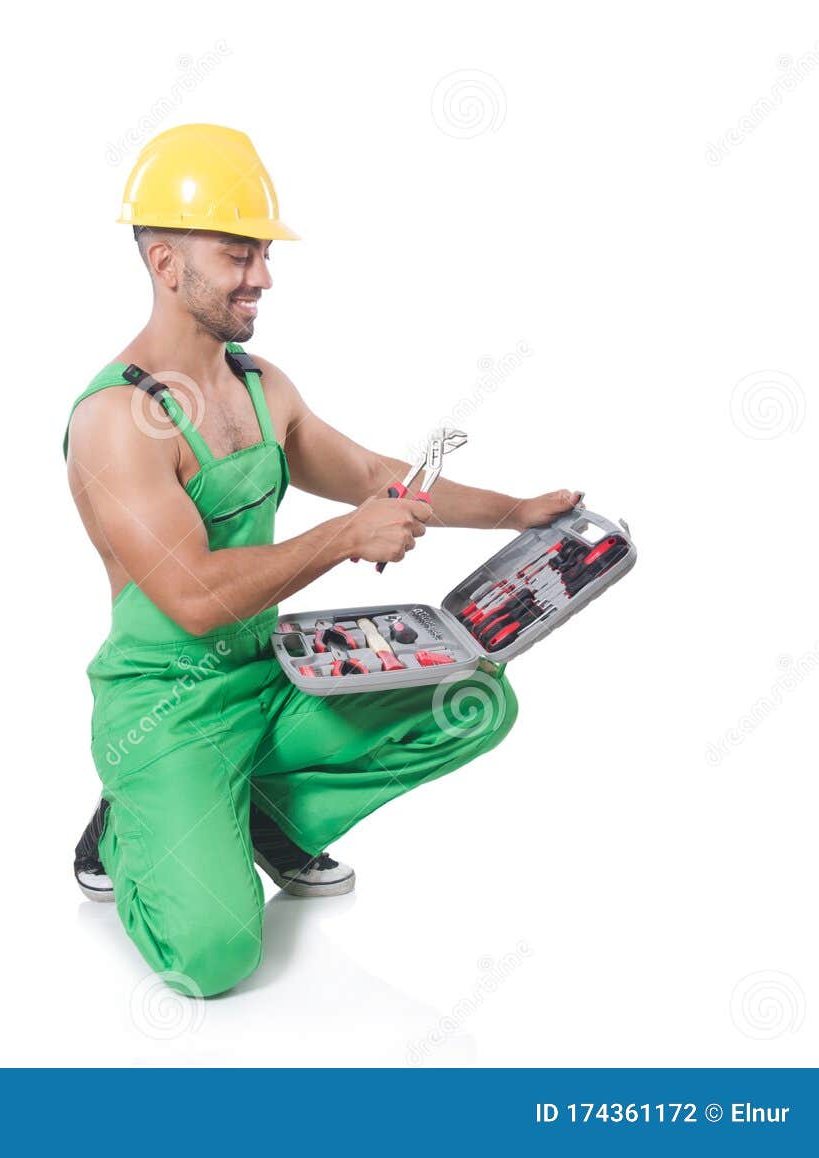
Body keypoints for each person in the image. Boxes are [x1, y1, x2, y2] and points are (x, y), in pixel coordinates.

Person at [64, 124, 579, 997]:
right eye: (238, 254)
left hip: (267, 682)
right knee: (215, 961)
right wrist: (345, 539)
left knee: (473, 700)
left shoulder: (262, 385)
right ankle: (126, 826)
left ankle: (254, 816)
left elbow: (375, 478)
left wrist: (514, 513)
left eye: (261, 252)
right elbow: (192, 599)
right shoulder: (115, 420)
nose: (263, 275)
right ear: (164, 263)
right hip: (168, 707)